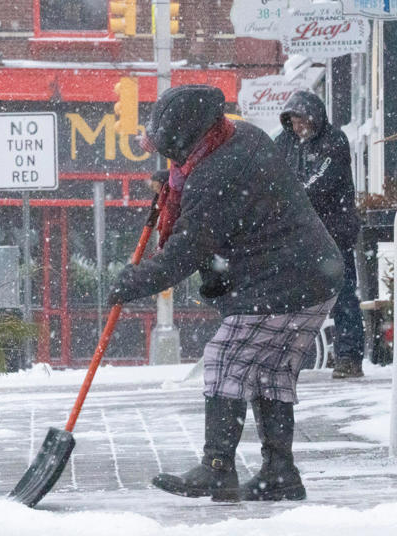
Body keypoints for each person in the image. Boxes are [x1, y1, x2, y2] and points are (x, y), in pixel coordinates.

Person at [108, 85, 344, 502]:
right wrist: (176, 179)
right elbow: (215, 185)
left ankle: (217, 468)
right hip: (311, 273)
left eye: (171, 152)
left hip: (283, 282)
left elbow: (185, 253)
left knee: (225, 358)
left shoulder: (218, 173)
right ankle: (280, 473)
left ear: (187, 137)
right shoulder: (239, 136)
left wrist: (133, 281)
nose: (170, 159)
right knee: (270, 373)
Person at [275, 90, 365, 379]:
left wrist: (289, 196)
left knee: (342, 296)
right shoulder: (284, 143)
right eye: (293, 121)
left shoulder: (334, 141)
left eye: (301, 119)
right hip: (297, 235)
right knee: (294, 299)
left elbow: (321, 180)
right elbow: (269, 173)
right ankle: (289, 357)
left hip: (333, 235)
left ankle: (349, 357)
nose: (298, 126)